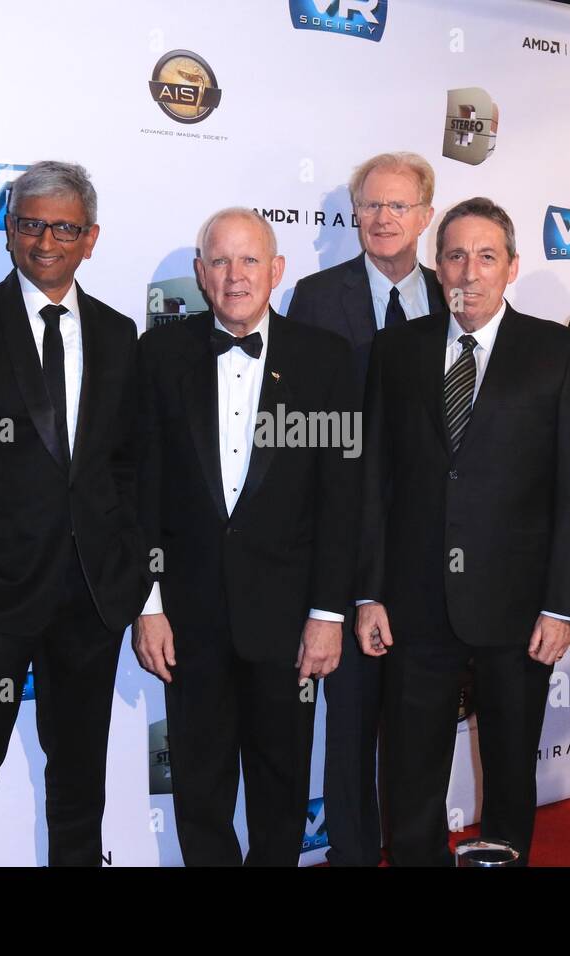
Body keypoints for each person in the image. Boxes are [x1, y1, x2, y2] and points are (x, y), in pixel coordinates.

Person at [0, 161, 147, 866]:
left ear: (90, 239)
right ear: (10, 230)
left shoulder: (118, 333)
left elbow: (127, 466)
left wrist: (129, 570)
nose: (47, 241)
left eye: (64, 228)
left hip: (90, 598)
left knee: (80, 779)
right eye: (32, 224)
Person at [357, 197, 570, 866]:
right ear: (437, 267)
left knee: (512, 768)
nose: (470, 270)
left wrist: (561, 605)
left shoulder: (560, 352)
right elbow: (373, 478)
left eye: (486, 256)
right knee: (409, 769)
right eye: (456, 255)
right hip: (414, 603)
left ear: (511, 267)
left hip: (519, 607)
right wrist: (369, 592)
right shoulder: (396, 350)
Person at [134, 207, 358, 866]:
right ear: (201, 274)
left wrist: (328, 613)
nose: (235, 276)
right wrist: (148, 606)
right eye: (221, 261)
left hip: (289, 620)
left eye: (250, 260)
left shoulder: (324, 359)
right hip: (188, 619)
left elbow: (341, 496)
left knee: (282, 788)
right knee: (199, 788)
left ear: (276, 270)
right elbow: (140, 489)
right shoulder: (159, 355)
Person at [285, 151, 447, 866]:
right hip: (345, 546)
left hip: (431, 552)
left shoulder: (452, 293)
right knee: (348, 722)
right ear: (354, 214)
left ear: (426, 215)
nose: (383, 218)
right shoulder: (317, 297)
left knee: (422, 725)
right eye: (371, 205)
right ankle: (350, 852)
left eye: (398, 206)